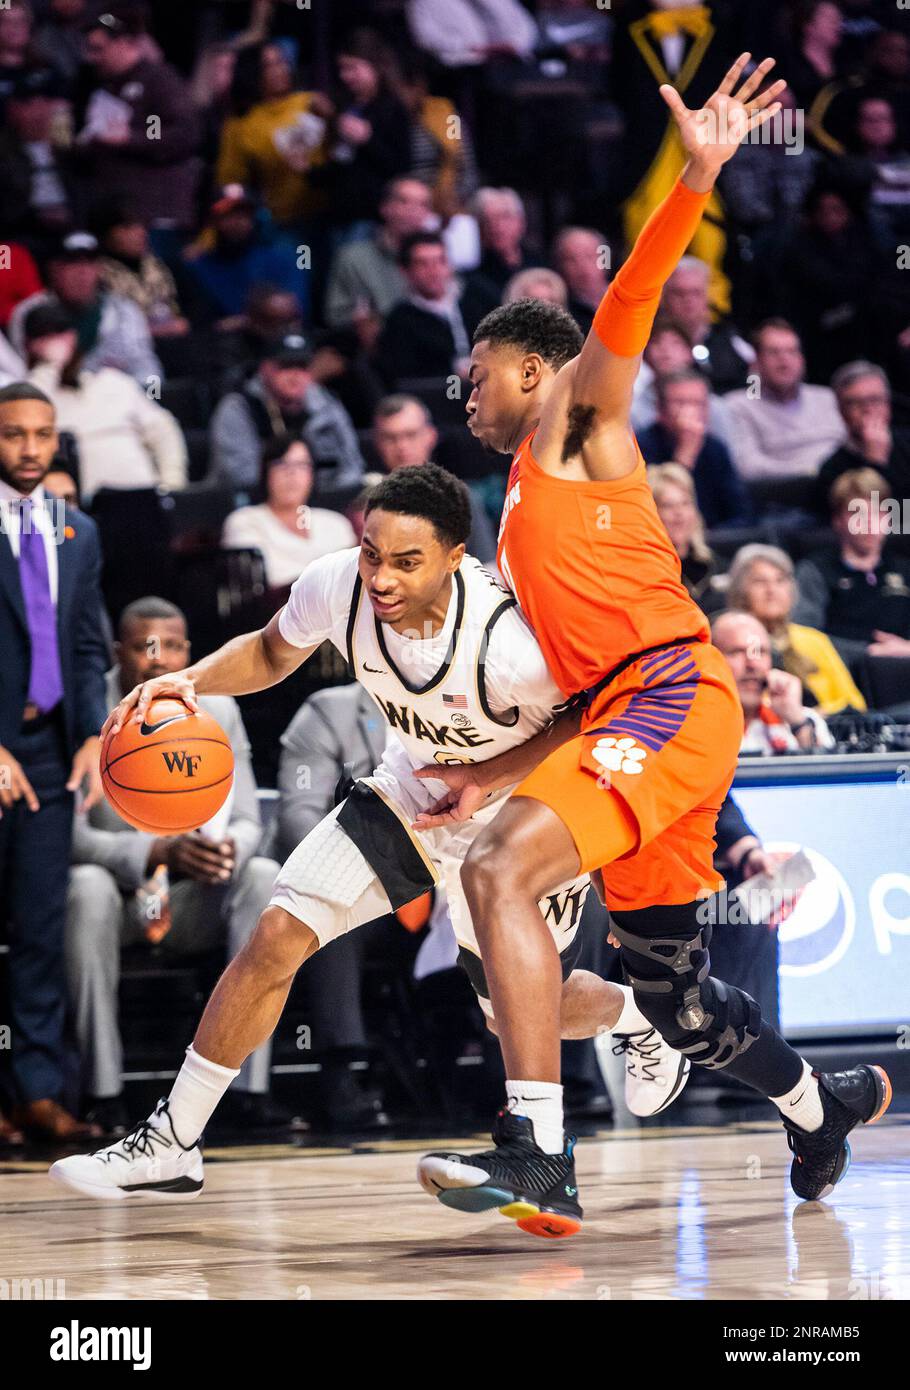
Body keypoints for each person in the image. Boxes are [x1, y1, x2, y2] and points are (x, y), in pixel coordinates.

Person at [396, 56, 890, 1234]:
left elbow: (626, 303)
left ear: (532, 367)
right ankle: (821, 1106)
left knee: (496, 872)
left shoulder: (574, 424)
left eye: (475, 374)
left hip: (667, 694)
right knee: (675, 1004)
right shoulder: (518, 505)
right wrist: (489, 772)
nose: (464, 393)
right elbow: (576, 700)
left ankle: (536, 1153)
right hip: (629, 716)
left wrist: (696, 174)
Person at [49, 465, 690, 1202]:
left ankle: (636, 1016)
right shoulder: (339, 584)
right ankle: (172, 1142)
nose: (381, 578)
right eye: (372, 554)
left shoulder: (512, 641)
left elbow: (601, 716)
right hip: (413, 791)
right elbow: (270, 651)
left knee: (517, 1012)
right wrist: (190, 681)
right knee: (278, 930)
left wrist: (491, 775)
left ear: (455, 558)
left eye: (407, 562)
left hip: (520, 818)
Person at [65, 597, 284, 1137]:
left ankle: (247, 1091)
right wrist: (153, 852)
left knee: (261, 875)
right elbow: (67, 838)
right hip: (123, 899)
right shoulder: (87, 706)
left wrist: (224, 849)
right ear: (118, 652)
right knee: (83, 887)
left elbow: (250, 820)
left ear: (189, 651)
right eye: (145, 647)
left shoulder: (218, 708)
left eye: (172, 646)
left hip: (194, 899)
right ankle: (102, 1093)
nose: (159, 659)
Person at [0, 381, 108, 1142]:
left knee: (40, 928)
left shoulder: (80, 529)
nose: (31, 448)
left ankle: (37, 1089)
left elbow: (88, 642)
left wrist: (93, 733)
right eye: (14, 434)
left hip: (50, 754)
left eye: (43, 434)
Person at [24, 303, 187, 502]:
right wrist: (50, 367)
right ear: (29, 345)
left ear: (74, 337)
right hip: (81, 508)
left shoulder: (114, 382)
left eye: (61, 333)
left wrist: (171, 487)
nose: (55, 344)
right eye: (44, 336)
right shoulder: (30, 395)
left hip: (144, 497)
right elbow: (28, 407)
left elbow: (164, 430)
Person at [77, 4, 201, 229]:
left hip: (156, 212)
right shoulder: (102, 85)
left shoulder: (156, 82)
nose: (92, 57)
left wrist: (131, 138)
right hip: (119, 213)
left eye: (98, 49)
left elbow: (181, 133)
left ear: (123, 43)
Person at [209, 332, 365, 492]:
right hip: (257, 502)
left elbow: (352, 465)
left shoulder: (326, 404)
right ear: (265, 368)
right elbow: (243, 476)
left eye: (302, 366)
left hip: (325, 499)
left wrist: (333, 497)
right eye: (286, 366)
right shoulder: (239, 408)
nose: (295, 375)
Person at [725, 544, 866, 716]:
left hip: (828, 728)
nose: (772, 590)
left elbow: (854, 704)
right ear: (739, 590)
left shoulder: (814, 640)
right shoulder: (730, 643)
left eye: (780, 581)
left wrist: (812, 717)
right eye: (760, 582)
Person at [9, 231, 162, 387]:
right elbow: (20, 373)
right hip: (51, 396)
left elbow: (148, 369)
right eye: (72, 263)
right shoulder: (29, 313)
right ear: (53, 269)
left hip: (115, 398)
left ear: (100, 269)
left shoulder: (125, 311)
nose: (82, 272)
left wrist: (150, 396)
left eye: (90, 262)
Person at [795, 468, 910, 661]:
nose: (869, 523)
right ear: (838, 520)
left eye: (877, 513)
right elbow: (803, 638)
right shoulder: (815, 572)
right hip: (842, 672)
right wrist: (869, 653)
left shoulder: (905, 570)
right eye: (858, 514)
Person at [368, 394, 497, 563]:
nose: (401, 446)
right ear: (377, 442)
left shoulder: (460, 498)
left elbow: (487, 566)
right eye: (390, 438)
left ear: (431, 436)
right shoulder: (362, 502)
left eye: (411, 435)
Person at [215, 41, 327, 230]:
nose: (279, 70)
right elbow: (230, 182)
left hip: (330, 214)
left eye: (281, 62)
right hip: (282, 222)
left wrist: (333, 117)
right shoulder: (242, 124)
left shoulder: (311, 103)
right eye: (269, 65)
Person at [221, 435, 356, 589]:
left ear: (312, 474)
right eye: (281, 464)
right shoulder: (244, 521)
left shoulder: (336, 523)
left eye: (301, 465)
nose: (292, 473)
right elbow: (264, 580)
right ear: (265, 472)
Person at [723, 319, 846, 483]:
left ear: (802, 359)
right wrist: (812, 472)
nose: (784, 361)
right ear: (756, 362)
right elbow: (748, 467)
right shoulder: (738, 406)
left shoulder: (827, 398)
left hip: (845, 487)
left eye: (792, 351)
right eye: (774, 353)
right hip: (787, 492)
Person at [375, 231, 496, 386]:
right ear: (405, 271)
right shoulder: (399, 321)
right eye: (423, 264)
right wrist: (454, 377)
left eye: (440, 261)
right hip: (441, 394)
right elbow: (406, 378)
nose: (434, 271)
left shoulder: (476, 298)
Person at [636, 368, 752, 529]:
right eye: (680, 403)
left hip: (715, 537)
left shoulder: (715, 448)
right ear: (659, 409)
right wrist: (685, 454)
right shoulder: (640, 447)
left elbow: (741, 513)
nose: (690, 411)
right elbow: (651, 511)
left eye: (698, 403)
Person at [180, 184, 308, 325]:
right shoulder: (198, 266)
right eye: (228, 216)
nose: (237, 222)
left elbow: (296, 311)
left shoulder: (284, 259)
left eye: (244, 215)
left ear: (255, 220)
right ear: (214, 221)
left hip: (274, 335)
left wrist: (246, 322)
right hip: (216, 337)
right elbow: (195, 319)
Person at [712, 611, 833, 754]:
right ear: (711, 660)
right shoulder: (693, 723)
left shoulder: (806, 720)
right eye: (737, 651)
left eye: (761, 652)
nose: (753, 664)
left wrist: (798, 724)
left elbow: (826, 768)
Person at [324, 177, 434, 331]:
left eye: (422, 204)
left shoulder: (438, 258)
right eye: (404, 202)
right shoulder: (353, 258)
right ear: (385, 208)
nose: (413, 211)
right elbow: (336, 316)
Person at [814, 360, 910, 518]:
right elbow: (870, 522)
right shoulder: (832, 471)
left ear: (888, 404)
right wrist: (875, 465)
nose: (868, 409)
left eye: (875, 399)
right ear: (840, 410)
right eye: (855, 403)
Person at [661, 256, 754, 395]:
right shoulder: (650, 344)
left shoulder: (731, 340)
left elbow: (756, 374)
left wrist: (753, 400)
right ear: (663, 298)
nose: (688, 300)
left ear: (707, 296)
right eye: (679, 293)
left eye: (696, 292)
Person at [647, 463, 728, 616]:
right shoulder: (647, 573)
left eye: (685, 503)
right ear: (651, 513)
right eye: (668, 505)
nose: (679, 512)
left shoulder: (716, 565)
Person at [552, 226, 611, 338]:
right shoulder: (563, 314)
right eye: (571, 259)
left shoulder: (628, 297)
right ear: (560, 266)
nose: (582, 265)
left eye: (589, 256)